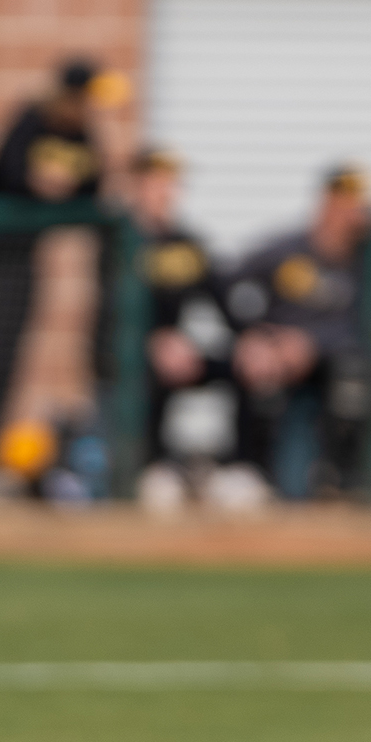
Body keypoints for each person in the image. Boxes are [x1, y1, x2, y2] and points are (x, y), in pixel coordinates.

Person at [0, 58, 127, 469]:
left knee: (10, 355)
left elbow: (92, 187)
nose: (94, 109)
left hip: (25, 257)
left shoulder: (83, 135)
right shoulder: (32, 121)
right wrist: (36, 183)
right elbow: (5, 174)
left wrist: (68, 184)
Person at [216, 164, 371, 501]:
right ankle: (251, 473)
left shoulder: (367, 262)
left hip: (329, 369)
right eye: (343, 206)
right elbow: (228, 284)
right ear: (325, 206)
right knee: (252, 377)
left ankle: (342, 478)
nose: (350, 216)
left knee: (352, 377)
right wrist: (255, 337)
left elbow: (367, 325)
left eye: (357, 208)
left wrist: (311, 344)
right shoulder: (285, 250)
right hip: (279, 368)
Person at [126, 148, 233, 510]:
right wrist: (152, 340)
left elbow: (224, 301)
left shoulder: (186, 243)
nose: (164, 193)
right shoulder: (118, 239)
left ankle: (239, 469)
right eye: (155, 184)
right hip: (127, 352)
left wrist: (256, 341)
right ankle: (150, 468)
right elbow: (105, 311)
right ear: (136, 188)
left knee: (237, 366)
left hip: (177, 350)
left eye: (170, 185)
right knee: (149, 374)